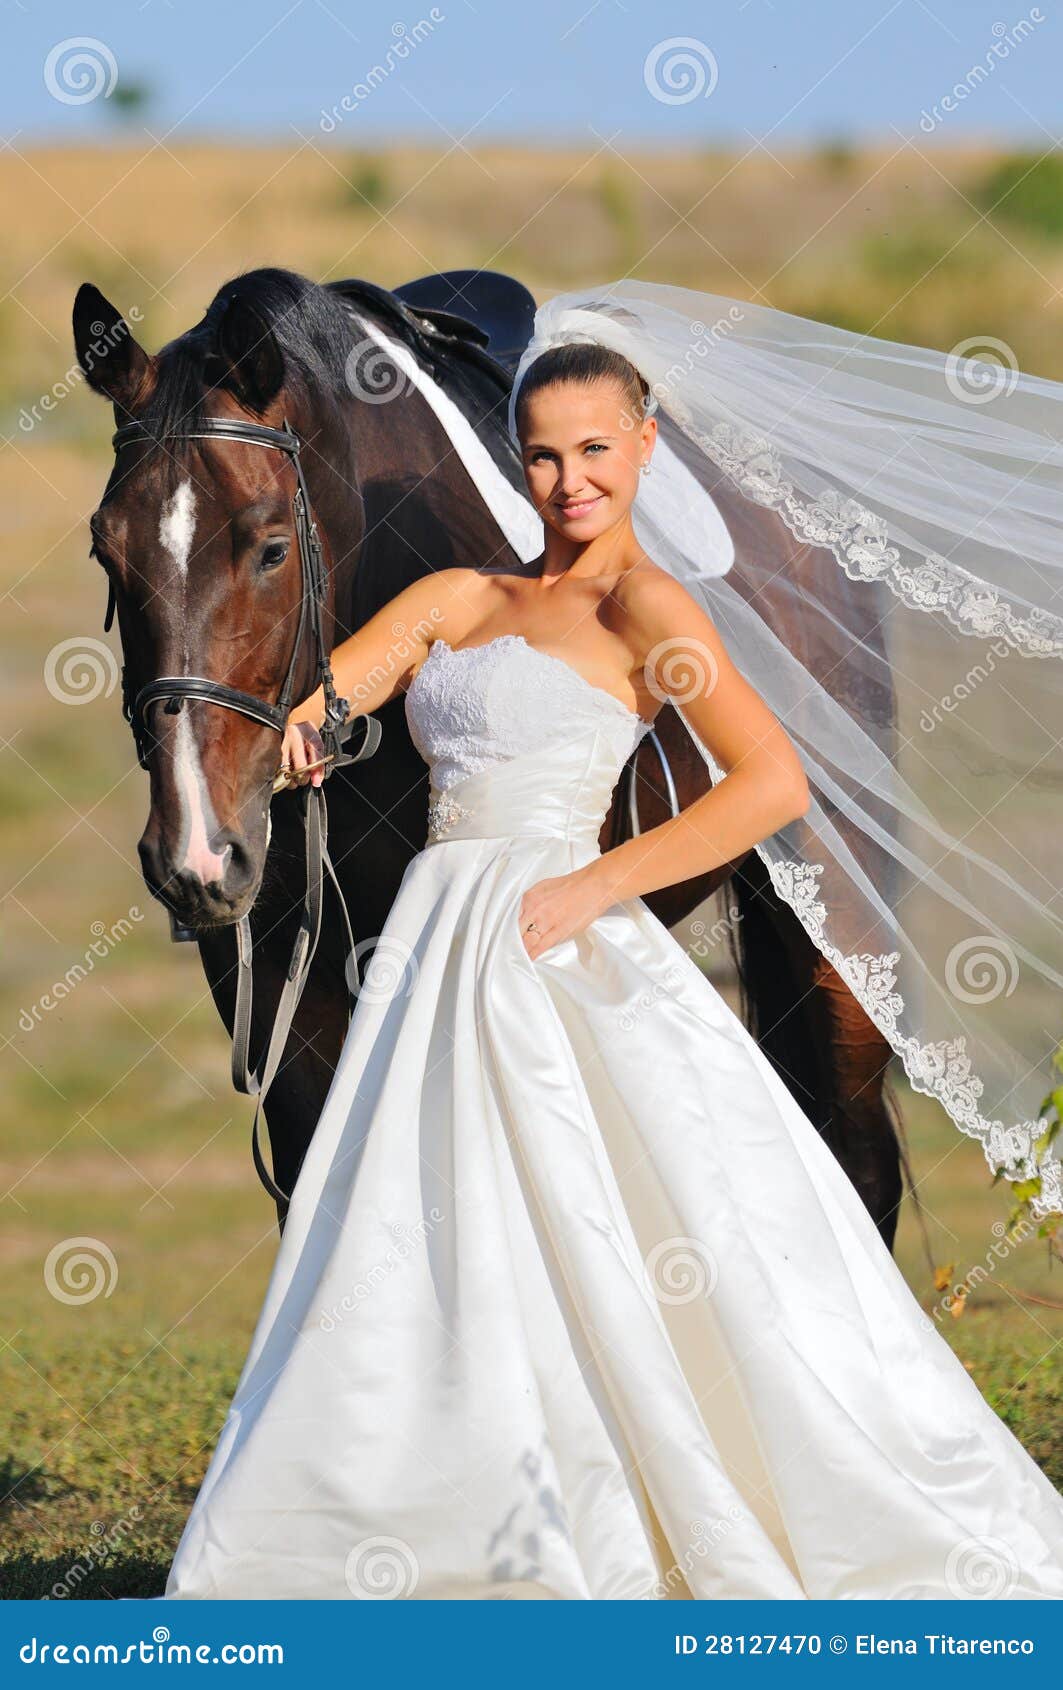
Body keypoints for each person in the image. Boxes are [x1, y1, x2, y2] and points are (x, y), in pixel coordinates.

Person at [163, 311, 1063, 1600]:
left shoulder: (650, 609)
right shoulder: (460, 598)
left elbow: (771, 783)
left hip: (558, 928)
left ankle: (658, 1495)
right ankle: (417, 1513)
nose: (570, 481)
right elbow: (326, 697)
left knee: (630, 1207)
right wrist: (286, 730)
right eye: (541, 456)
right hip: (439, 942)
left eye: (595, 450)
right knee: (416, 1221)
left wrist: (597, 885)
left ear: (643, 447)